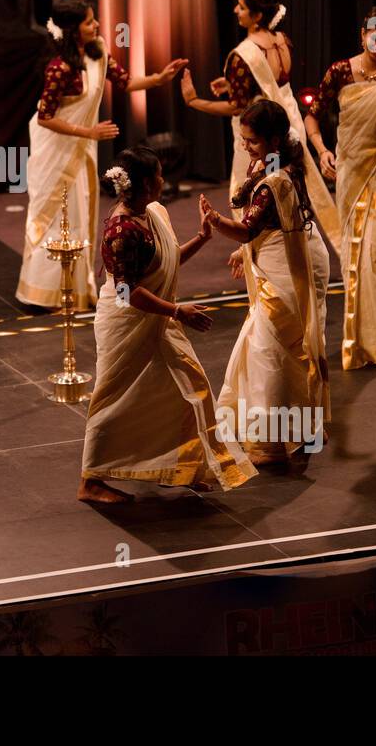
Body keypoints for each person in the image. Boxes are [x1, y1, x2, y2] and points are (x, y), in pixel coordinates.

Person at [79, 146, 256, 503]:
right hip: (128, 324)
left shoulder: (152, 213)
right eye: (159, 175)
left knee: (186, 390)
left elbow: (167, 261)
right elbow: (127, 292)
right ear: (146, 183)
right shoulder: (121, 230)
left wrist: (203, 238)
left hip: (157, 318)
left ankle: (181, 467)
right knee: (115, 400)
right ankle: (91, 480)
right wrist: (176, 311)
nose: (164, 180)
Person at [17, 0, 187, 309]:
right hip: (55, 148)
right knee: (53, 215)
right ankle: (41, 293)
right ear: (72, 29)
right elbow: (45, 117)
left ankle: (74, 291)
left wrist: (159, 79)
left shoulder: (98, 51)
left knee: (80, 212)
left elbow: (126, 82)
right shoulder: (60, 68)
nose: (97, 25)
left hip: (81, 146)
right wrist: (89, 132)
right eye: (89, 22)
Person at [200, 100, 330, 465]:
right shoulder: (274, 164)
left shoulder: (275, 179)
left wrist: (214, 221)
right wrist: (245, 252)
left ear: (274, 140)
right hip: (291, 253)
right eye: (243, 139)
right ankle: (304, 429)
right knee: (286, 348)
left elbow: (247, 229)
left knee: (269, 349)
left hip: (290, 266)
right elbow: (269, 222)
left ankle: (271, 444)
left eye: (252, 141)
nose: (245, 146)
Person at [181, 0, 342, 253]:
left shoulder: (244, 53)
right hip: (288, 121)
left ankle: (258, 249)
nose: (236, 10)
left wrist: (193, 101)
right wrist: (231, 83)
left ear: (256, 16)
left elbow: (237, 107)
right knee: (284, 184)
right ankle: (290, 239)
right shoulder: (282, 40)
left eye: (242, 7)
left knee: (252, 188)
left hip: (260, 130)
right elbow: (272, 81)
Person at [303, 7, 376, 369]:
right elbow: (313, 115)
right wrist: (322, 150)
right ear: (363, 34)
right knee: (354, 259)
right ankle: (360, 343)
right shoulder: (340, 72)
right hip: (351, 173)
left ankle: (375, 344)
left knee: (375, 255)